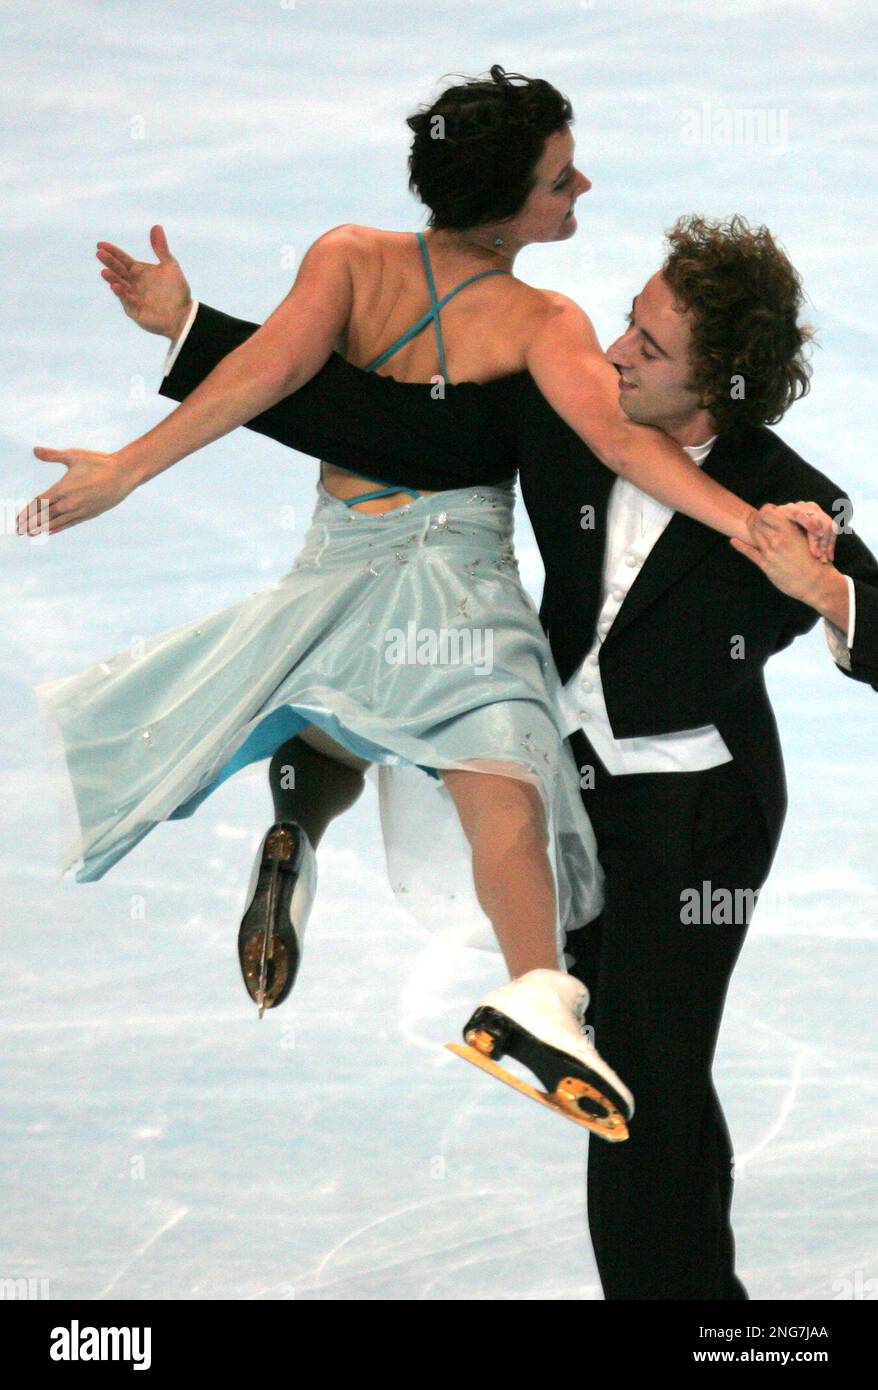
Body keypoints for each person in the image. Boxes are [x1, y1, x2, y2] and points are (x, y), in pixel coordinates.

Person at [18, 69, 832, 1146]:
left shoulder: (347, 256)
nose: (578, 186)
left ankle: (292, 838)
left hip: (337, 565)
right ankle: (537, 989)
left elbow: (278, 378)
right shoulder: (544, 320)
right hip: (454, 579)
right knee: (501, 775)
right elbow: (621, 440)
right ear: (507, 206)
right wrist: (746, 523)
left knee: (328, 715)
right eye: (557, 180)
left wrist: (132, 457)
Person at [130, 214, 877, 1299]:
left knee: (636, 1083)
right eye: (628, 320)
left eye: (649, 347)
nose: (615, 348)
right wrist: (191, 329)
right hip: (562, 787)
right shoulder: (569, 411)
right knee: (647, 1073)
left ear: (717, 386)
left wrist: (827, 596)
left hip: (693, 821)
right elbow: (382, 422)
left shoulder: (784, 493)